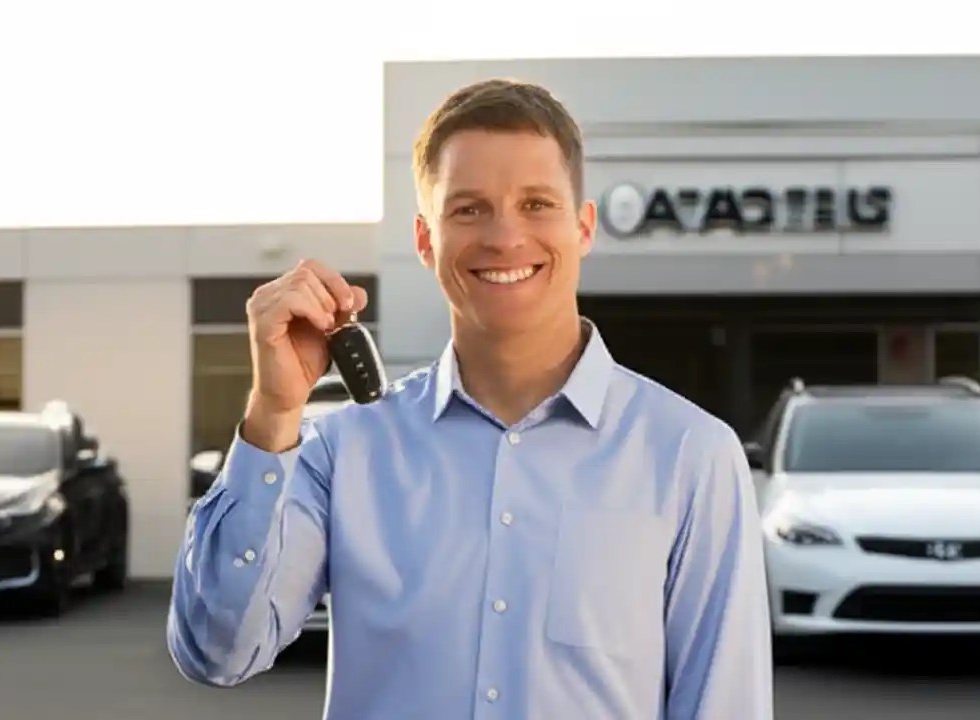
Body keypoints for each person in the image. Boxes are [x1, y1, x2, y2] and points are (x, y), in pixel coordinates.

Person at [167, 77, 772, 719]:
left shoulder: (690, 456)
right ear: (425, 241)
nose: (505, 238)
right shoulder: (344, 449)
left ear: (584, 228)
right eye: (469, 209)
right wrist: (273, 412)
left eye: (536, 203)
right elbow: (216, 651)